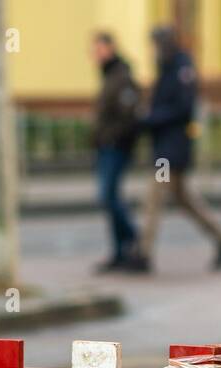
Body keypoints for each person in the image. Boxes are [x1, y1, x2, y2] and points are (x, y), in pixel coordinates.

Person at [134, 26, 221, 273]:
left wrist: (150, 118)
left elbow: (183, 108)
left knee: (152, 199)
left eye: (155, 46)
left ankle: (143, 253)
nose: (152, 52)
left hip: (171, 150)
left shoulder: (182, 70)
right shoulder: (170, 68)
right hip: (168, 147)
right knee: (185, 200)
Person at [90, 32, 144, 273]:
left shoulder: (121, 76)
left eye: (99, 49)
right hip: (106, 147)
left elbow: (128, 115)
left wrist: (112, 138)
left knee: (109, 196)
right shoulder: (110, 75)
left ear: (110, 48)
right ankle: (120, 250)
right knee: (109, 197)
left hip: (116, 147)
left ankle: (132, 238)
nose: (95, 55)